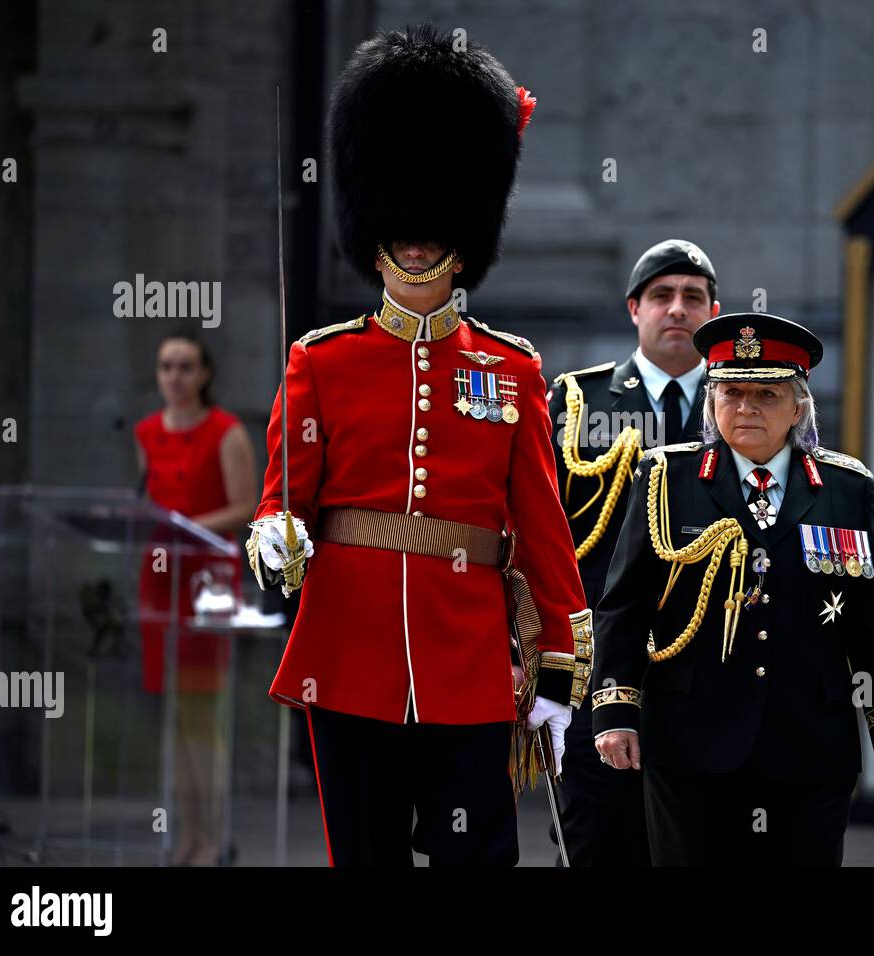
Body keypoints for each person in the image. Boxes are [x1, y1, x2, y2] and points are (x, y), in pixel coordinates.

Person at [245, 24, 592, 867]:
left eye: (435, 221)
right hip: (348, 651)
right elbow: (280, 501)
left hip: (468, 662)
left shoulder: (511, 370)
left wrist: (555, 662)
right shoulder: (321, 361)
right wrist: (274, 542)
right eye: (402, 220)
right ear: (376, 225)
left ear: (463, 231)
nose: (416, 238)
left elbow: (541, 525)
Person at [592, 312, 874, 866]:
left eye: (767, 394)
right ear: (711, 401)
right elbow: (625, 605)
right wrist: (615, 710)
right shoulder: (665, 479)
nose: (746, 408)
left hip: (810, 747)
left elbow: (871, 623)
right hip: (691, 742)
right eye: (731, 392)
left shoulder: (846, 486)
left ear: (799, 407)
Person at [545, 239, 719, 866]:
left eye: (693, 298)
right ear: (634, 309)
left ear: (714, 310)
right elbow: (538, 536)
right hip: (602, 672)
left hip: (710, 676)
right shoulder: (577, 405)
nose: (678, 309)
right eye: (662, 296)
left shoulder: (746, 407)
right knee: (600, 840)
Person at [134, 331, 257, 865]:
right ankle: (185, 836)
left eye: (185, 367)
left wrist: (182, 527)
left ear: (205, 373)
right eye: (166, 367)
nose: (174, 377)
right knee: (173, 720)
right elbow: (144, 499)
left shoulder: (226, 432)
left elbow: (244, 506)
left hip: (205, 585)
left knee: (201, 717)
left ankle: (212, 837)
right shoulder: (144, 433)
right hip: (159, 580)